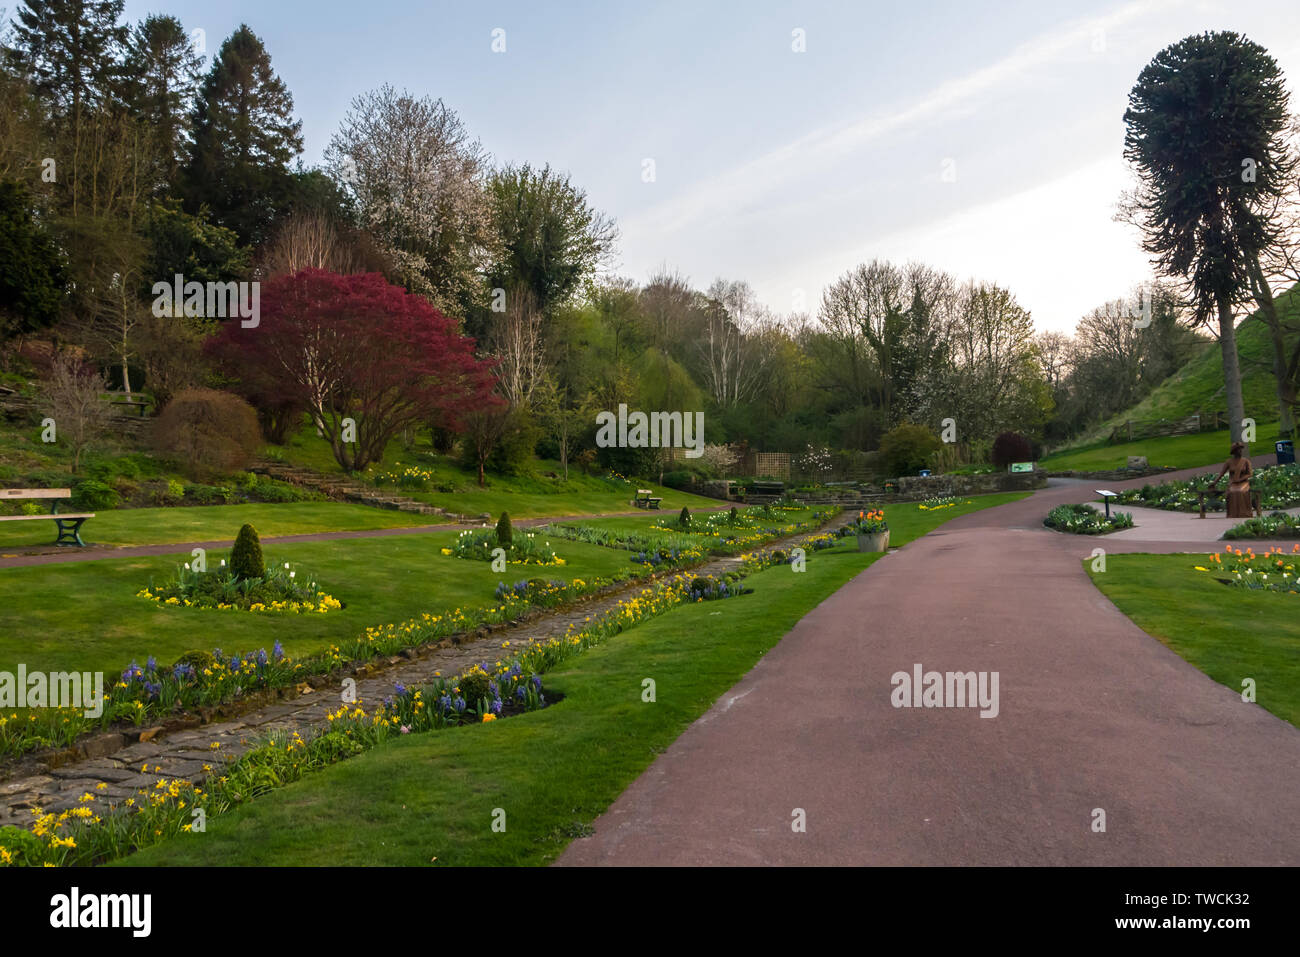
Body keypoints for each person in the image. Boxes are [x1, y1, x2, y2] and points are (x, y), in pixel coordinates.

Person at [1209, 442, 1254, 519]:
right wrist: (1214, 482)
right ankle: (1233, 513)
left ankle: (1244, 513)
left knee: (1240, 491)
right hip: (1233, 483)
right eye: (1238, 450)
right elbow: (1221, 473)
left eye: (1241, 449)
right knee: (1232, 492)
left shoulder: (1245, 461)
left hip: (1243, 483)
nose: (1240, 451)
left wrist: (1240, 479)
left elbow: (1250, 474)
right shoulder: (1229, 462)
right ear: (1234, 451)